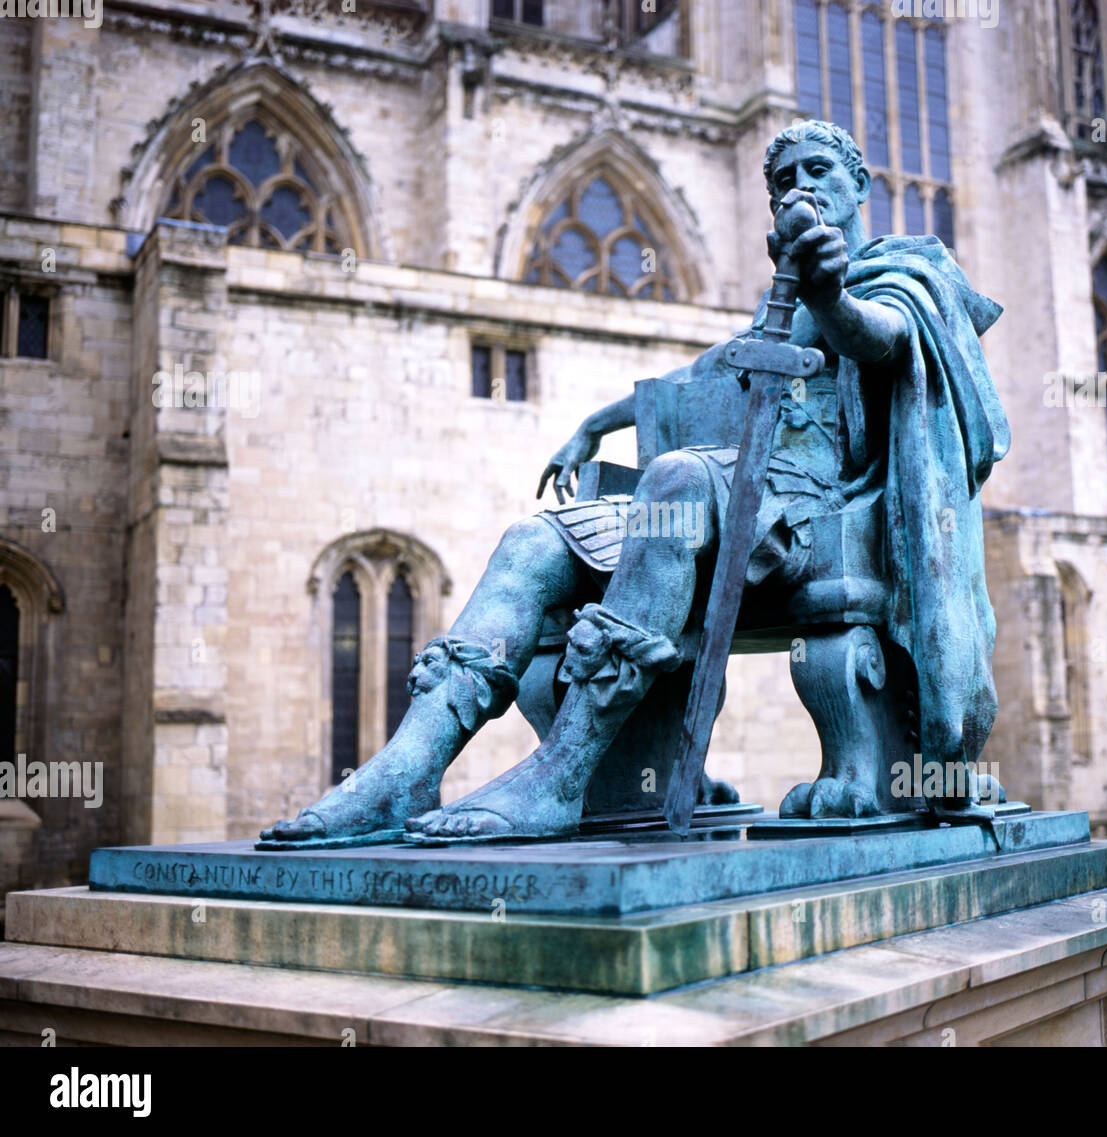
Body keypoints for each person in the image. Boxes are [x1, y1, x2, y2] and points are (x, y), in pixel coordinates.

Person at [262, 119, 1008, 845]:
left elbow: (884, 340)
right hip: (737, 498)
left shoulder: (906, 270)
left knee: (675, 479)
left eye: (818, 172)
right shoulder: (777, 301)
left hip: (824, 514)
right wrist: (599, 420)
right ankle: (404, 771)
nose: (798, 188)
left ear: (859, 186)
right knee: (532, 542)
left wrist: (827, 293)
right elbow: (704, 377)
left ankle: (560, 775)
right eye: (783, 179)